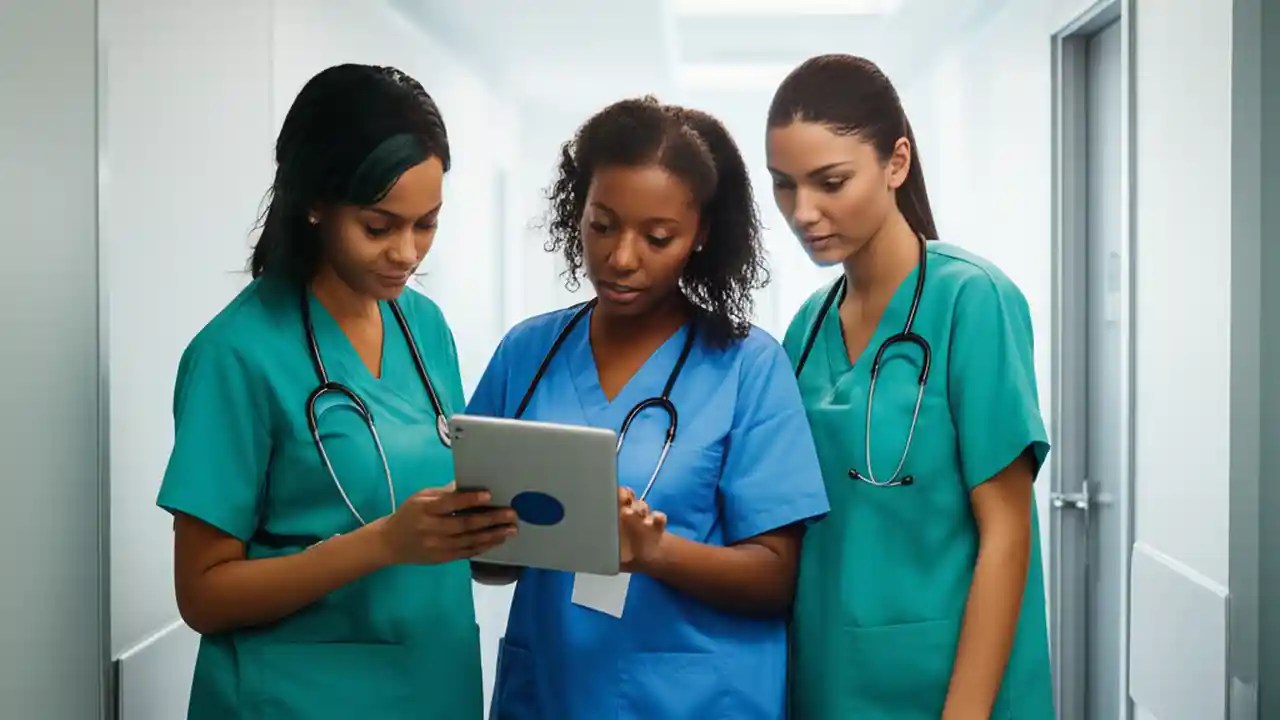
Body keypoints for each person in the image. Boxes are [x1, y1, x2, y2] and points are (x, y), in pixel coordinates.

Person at [155, 64, 517, 719]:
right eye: (379, 226)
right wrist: (383, 544)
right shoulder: (236, 354)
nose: (406, 253)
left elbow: (438, 531)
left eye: (426, 224)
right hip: (294, 701)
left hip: (432, 689)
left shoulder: (423, 327)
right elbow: (203, 595)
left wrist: (517, 536)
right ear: (316, 201)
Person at [467, 96, 830, 719]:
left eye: (657, 237)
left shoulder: (747, 366)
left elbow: (777, 577)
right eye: (602, 225)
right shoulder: (527, 353)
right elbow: (489, 564)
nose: (621, 257)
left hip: (696, 699)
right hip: (550, 692)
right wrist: (478, 533)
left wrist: (654, 551)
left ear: (701, 235)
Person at [766, 54, 1054, 719]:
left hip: (949, 691)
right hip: (828, 684)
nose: (803, 212)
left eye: (830, 182)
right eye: (784, 186)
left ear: (896, 162)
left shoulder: (972, 301)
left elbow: (1006, 532)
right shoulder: (807, 327)